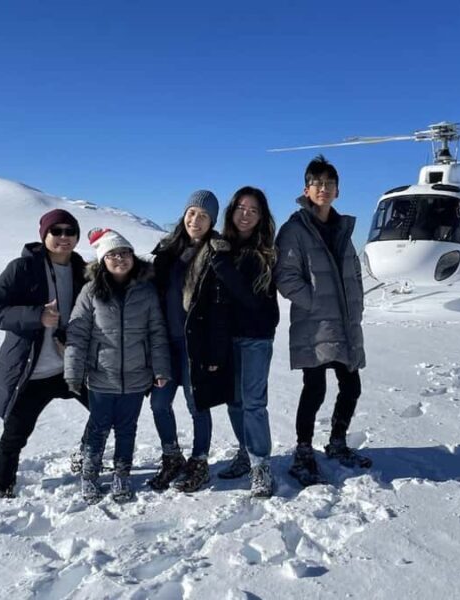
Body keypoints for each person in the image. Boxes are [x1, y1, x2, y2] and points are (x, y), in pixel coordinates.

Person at [274, 155, 371, 487]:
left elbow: (354, 274)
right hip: (314, 323)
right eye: (317, 183)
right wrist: (315, 303)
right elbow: (285, 277)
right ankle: (303, 450)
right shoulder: (294, 230)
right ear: (306, 189)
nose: (324, 189)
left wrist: (355, 307)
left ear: (338, 191)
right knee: (314, 388)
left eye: (330, 183)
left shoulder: (343, 228)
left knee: (351, 386)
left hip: (345, 321)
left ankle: (338, 442)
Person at [0, 208, 90, 498]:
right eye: (57, 231)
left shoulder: (84, 271)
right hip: (31, 371)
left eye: (70, 232)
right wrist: (36, 316)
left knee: (107, 412)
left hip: (70, 367)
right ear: (44, 235)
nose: (64, 237)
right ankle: (3, 488)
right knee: (15, 435)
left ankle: (85, 454)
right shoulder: (22, 268)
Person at [64, 228, 171, 504]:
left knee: (127, 428)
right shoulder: (90, 292)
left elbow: (157, 333)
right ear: (102, 261)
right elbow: (78, 333)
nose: (120, 259)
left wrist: (160, 369)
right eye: (112, 254)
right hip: (101, 375)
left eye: (124, 253)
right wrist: (74, 372)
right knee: (98, 427)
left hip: (136, 376)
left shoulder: (146, 291)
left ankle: (122, 473)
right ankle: (90, 474)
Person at [148, 190, 234, 493]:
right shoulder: (166, 251)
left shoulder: (218, 253)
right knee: (159, 403)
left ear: (212, 221)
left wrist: (216, 351)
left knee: (197, 405)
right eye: (192, 213)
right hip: (164, 343)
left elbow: (222, 310)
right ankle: (171, 455)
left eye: (204, 215)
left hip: (195, 345)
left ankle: (199, 461)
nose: (195, 220)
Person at [211, 186, 279, 498]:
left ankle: (261, 464)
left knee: (253, 403)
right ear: (231, 211)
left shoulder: (266, 252)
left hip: (255, 337)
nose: (246, 214)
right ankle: (245, 451)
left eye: (253, 209)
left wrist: (223, 265)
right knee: (234, 401)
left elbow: (251, 299)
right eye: (241, 207)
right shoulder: (220, 246)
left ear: (262, 216)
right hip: (226, 337)